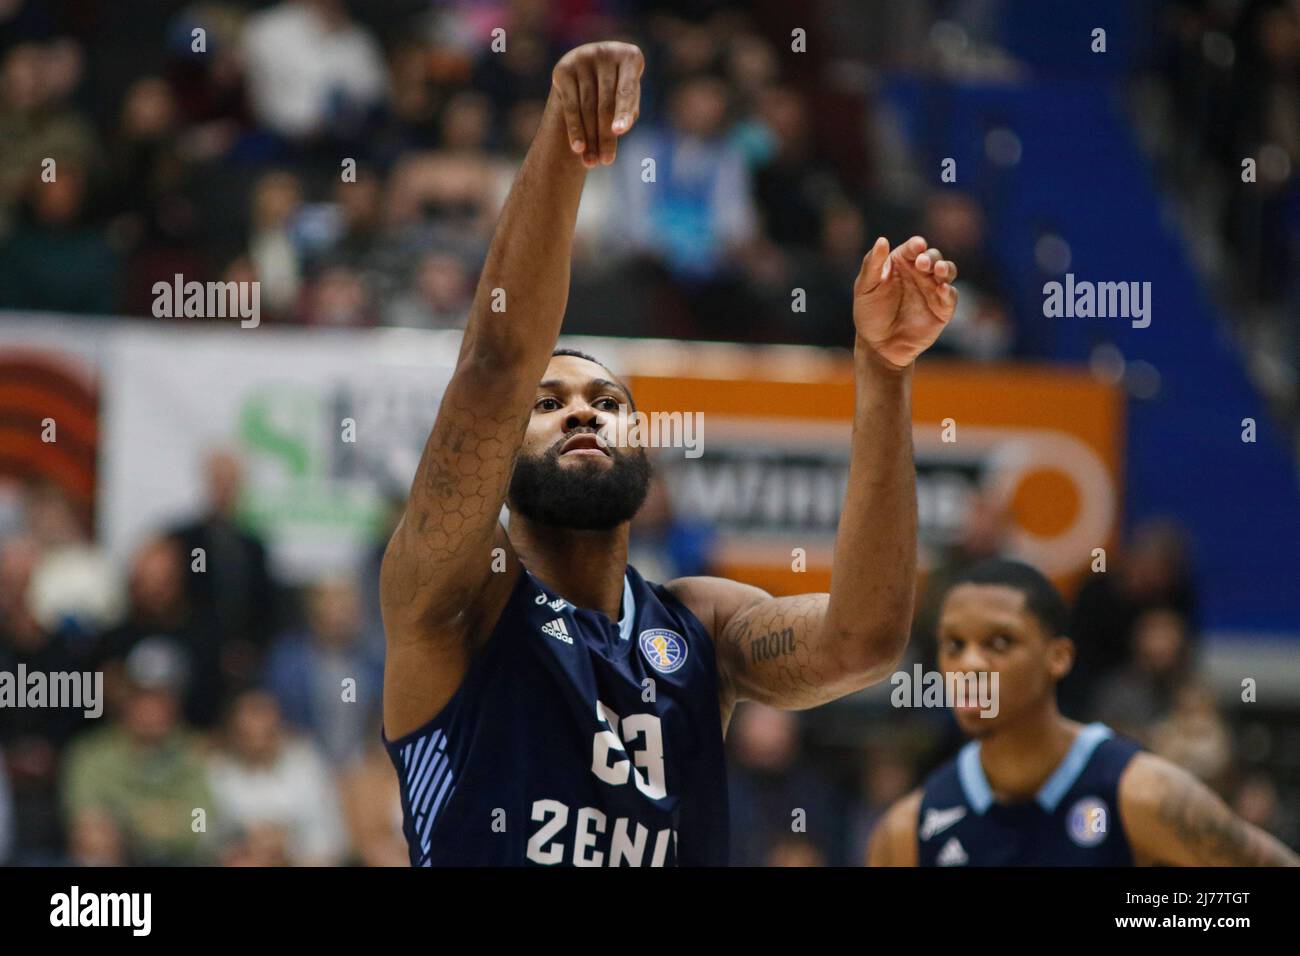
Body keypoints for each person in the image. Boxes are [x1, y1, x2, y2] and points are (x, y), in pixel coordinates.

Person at [380, 41, 959, 867]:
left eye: (608, 405)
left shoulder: (701, 625)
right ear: (503, 449)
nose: (583, 413)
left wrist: (886, 372)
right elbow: (493, 368)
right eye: (549, 405)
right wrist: (565, 140)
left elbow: (861, 643)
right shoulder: (455, 598)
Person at [867, 559, 1299, 866]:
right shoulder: (908, 830)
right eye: (954, 645)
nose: (971, 665)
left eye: (999, 643)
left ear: (1058, 657)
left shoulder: (1146, 796)